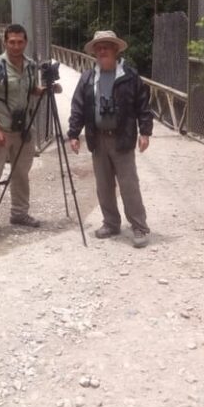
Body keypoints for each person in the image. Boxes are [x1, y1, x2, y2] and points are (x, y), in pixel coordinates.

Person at [67, 30, 153, 248]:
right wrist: (74, 133)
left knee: (129, 185)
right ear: (94, 51)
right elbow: (78, 106)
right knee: (103, 185)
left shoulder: (130, 76)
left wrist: (145, 132)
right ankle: (111, 223)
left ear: (116, 49)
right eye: (99, 47)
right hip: (98, 138)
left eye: (106, 46)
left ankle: (139, 226)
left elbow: (143, 106)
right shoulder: (87, 78)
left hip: (121, 138)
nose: (102, 50)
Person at [0, 24, 45, 236]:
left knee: (21, 173)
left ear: (26, 43)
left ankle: (19, 213)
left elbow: (31, 89)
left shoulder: (31, 66)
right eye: (11, 42)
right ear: (5, 42)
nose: (16, 46)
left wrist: (44, 90)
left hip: (23, 129)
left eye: (20, 42)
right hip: (2, 129)